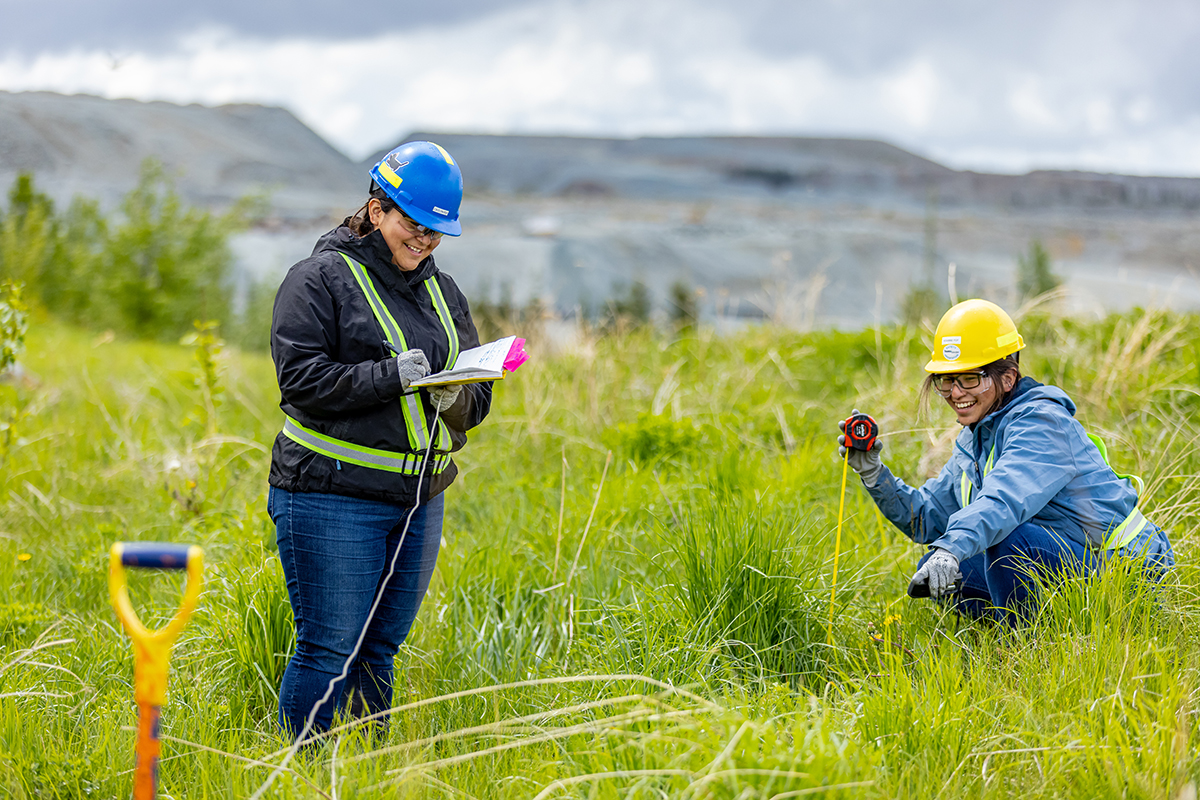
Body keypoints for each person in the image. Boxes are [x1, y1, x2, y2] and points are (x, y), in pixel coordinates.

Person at [268, 141, 491, 739]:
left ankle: (367, 767)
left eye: (436, 233)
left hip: (418, 498)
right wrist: (389, 377)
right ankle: (304, 774)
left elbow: (479, 397)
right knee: (329, 650)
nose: (424, 242)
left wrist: (457, 397)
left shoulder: (445, 293)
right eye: (413, 227)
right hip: (330, 495)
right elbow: (301, 381)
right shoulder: (317, 281)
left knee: (378, 651)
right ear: (375, 210)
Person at [838, 299, 1173, 623]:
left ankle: (1023, 653)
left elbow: (1004, 501)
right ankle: (1049, 629)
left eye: (970, 378)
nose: (956, 393)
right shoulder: (977, 435)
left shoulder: (1043, 424)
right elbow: (928, 518)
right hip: (1075, 562)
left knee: (1001, 542)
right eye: (947, 380)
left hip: (1126, 574)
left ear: (1008, 378)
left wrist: (952, 549)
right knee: (939, 572)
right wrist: (874, 474)